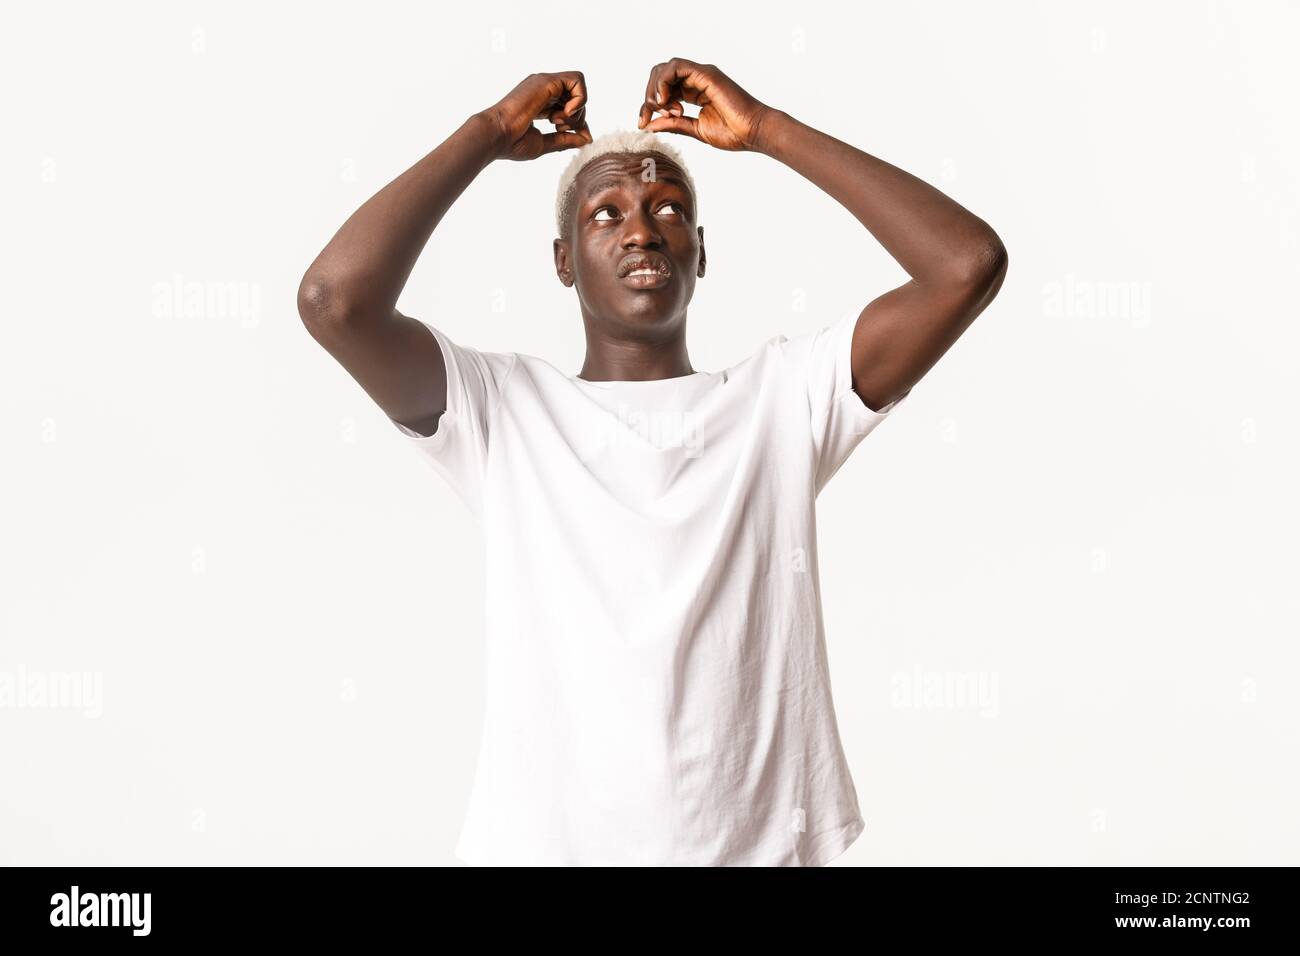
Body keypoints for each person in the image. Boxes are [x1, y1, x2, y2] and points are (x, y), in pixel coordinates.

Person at [297, 59, 1007, 866]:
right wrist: (489, 132)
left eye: (669, 209)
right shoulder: (503, 411)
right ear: (562, 261)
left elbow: (966, 266)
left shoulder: (783, 400)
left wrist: (768, 130)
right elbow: (335, 301)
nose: (642, 230)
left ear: (699, 254)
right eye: (606, 214)